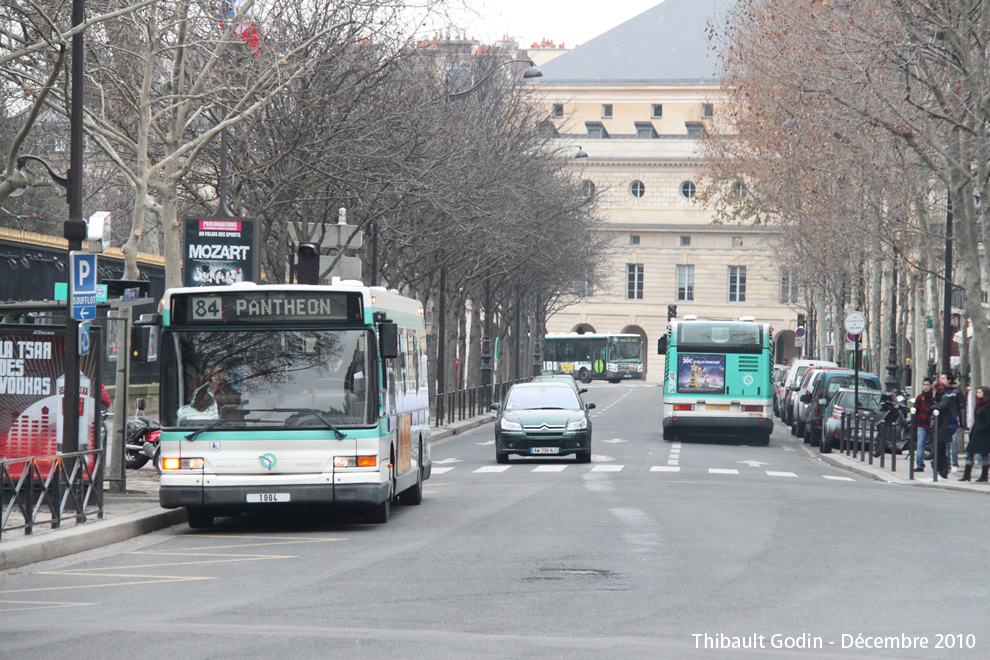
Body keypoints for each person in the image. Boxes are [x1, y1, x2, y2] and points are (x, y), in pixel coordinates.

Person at [932, 372, 962, 479]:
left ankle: (952, 465)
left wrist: (962, 422)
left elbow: (960, 406)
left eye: (944, 378)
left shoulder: (955, 392)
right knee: (942, 446)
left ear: (949, 380)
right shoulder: (941, 391)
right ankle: (943, 468)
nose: (942, 380)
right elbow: (936, 403)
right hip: (941, 422)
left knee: (952, 443)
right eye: (941, 378)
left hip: (952, 422)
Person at [961, 386, 990, 482]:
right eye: (977, 392)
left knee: (983, 454)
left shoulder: (987, 406)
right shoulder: (978, 405)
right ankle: (966, 475)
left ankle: (984, 475)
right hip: (975, 433)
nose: (977, 394)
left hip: (983, 434)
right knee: (969, 453)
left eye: (980, 392)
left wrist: (981, 429)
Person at [912, 378, 935, 472]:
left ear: (930, 386)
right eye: (924, 385)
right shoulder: (919, 398)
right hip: (922, 424)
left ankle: (935, 463)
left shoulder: (934, 398)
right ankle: (920, 465)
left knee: (934, 445)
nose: (926, 387)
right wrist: (915, 424)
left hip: (932, 425)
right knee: (920, 445)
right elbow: (916, 412)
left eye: (927, 385)